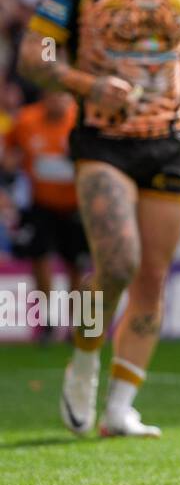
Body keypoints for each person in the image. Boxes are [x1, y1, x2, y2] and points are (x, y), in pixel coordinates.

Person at [19, 0, 180, 437]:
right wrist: (87, 84)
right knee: (117, 265)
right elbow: (31, 55)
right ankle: (84, 360)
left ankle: (120, 409)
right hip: (104, 142)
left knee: (153, 278)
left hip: (170, 140)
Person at [5, 90, 88, 344]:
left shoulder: (82, 121)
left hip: (76, 205)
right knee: (39, 260)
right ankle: (48, 321)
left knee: (78, 266)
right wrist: (11, 174)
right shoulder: (26, 120)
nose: (58, 103)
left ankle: (79, 325)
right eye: (53, 96)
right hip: (40, 204)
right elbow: (10, 150)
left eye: (63, 98)